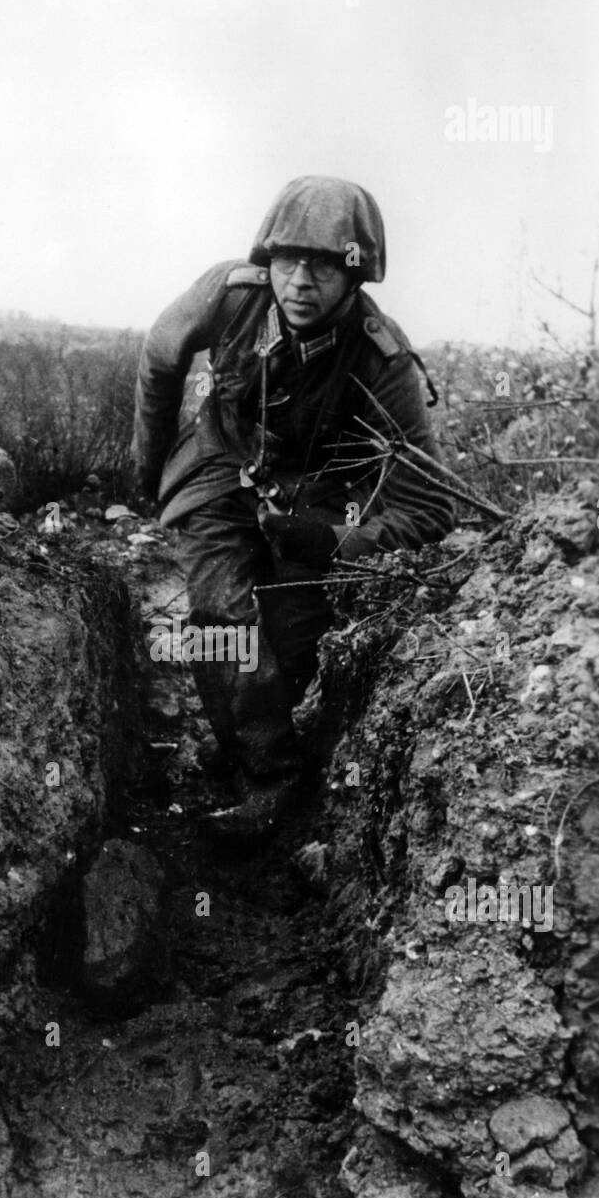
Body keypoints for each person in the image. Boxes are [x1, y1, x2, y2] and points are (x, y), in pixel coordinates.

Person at [131, 175, 454, 844]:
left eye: (325, 267)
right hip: (222, 463)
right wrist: (149, 467)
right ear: (266, 260)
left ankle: (258, 739)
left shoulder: (379, 355)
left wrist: (335, 539)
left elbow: (429, 503)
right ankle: (271, 783)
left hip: (316, 496)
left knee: (289, 640)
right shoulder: (232, 293)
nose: (301, 282)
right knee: (223, 614)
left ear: (357, 273)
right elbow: (161, 359)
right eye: (288, 262)